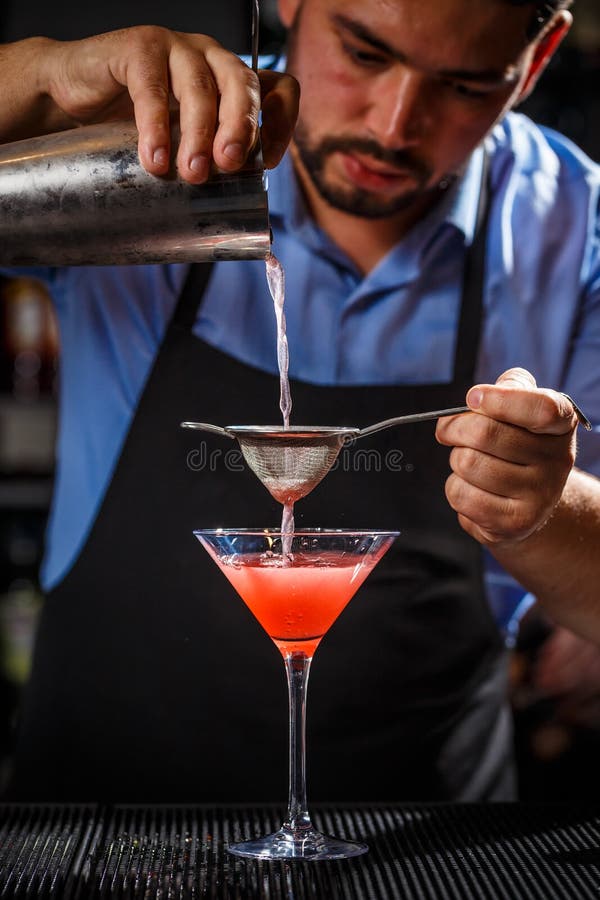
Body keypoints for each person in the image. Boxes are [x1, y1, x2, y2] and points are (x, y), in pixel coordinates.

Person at [0, 0, 598, 803]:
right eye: (363, 52)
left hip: (426, 845)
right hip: (94, 820)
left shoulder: (576, 226)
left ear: (539, 57)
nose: (394, 126)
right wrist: (37, 75)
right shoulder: (147, 142)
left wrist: (545, 508)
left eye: (464, 86)